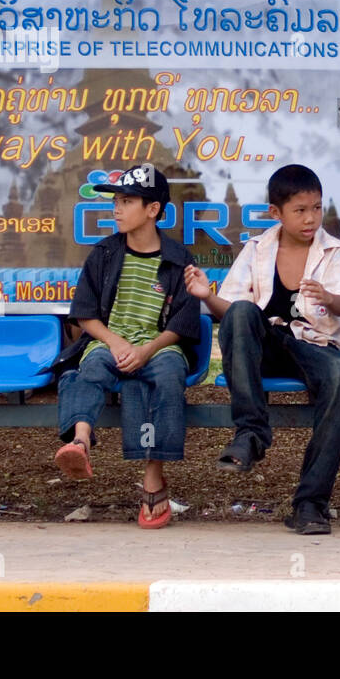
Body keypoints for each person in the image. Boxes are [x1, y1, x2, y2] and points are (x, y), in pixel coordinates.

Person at [184, 164, 340, 536]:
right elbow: (234, 313)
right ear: (275, 213)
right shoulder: (257, 249)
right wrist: (208, 297)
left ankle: (310, 503)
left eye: (316, 208)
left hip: (313, 345)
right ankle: (250, 433)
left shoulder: (334, 251)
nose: (311, 218)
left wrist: (329, 298)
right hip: (266, 344)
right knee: (243, 311)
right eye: (300, 210)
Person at [51, 164, 200, 530]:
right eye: (116, 200)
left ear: (153, 210)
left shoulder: (179, 259)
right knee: (90, 368)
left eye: (127, 200)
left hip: (158, 347)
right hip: (110, 340)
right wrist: (116, 342)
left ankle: (153, 477)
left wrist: (147, 349)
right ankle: (81, 443)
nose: (117, 208)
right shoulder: (103, 253)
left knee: (166, 377)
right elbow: (85, 315)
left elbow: (183, 324)